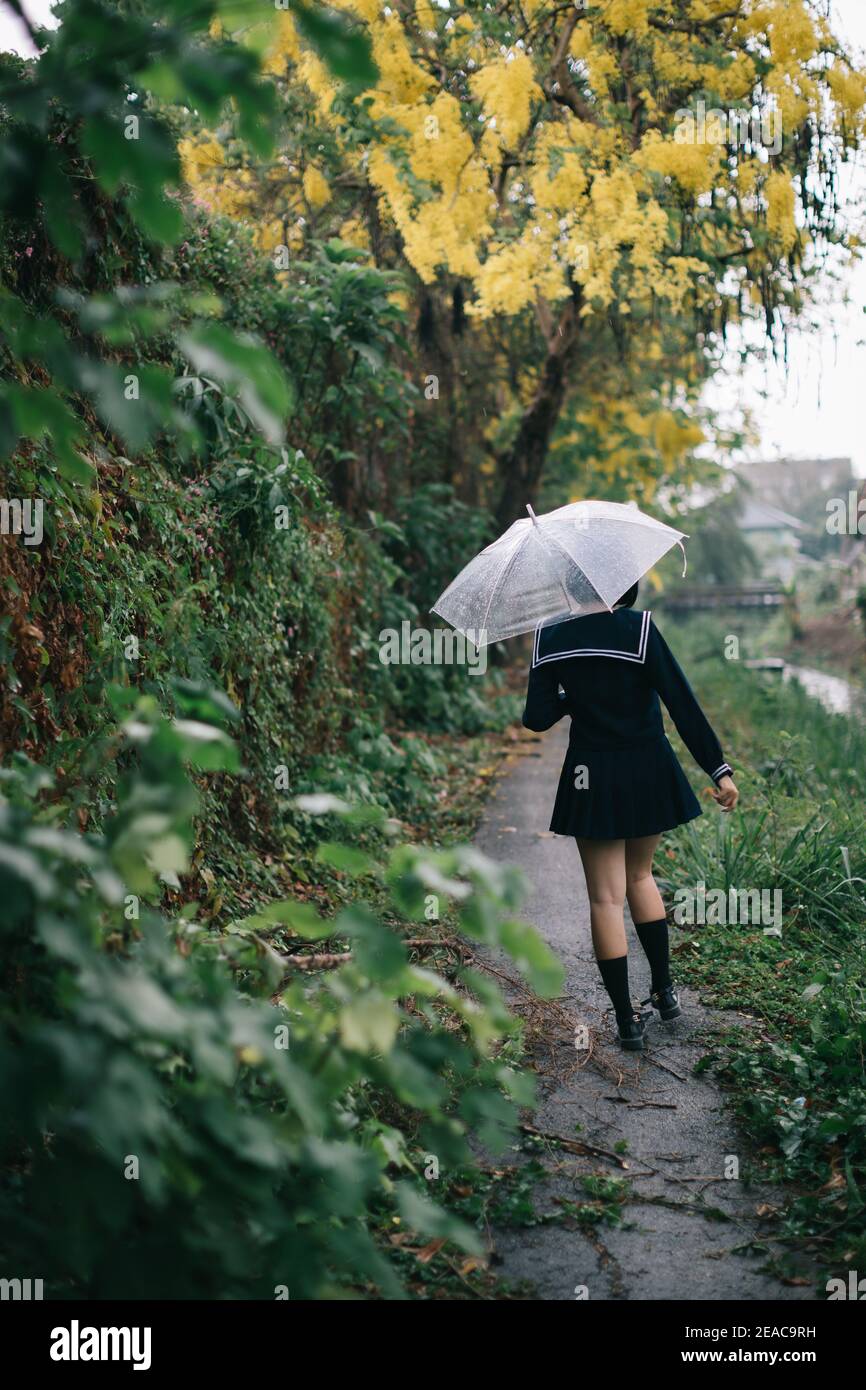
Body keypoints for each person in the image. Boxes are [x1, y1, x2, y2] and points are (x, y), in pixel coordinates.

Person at [522, 583, 739, 1051]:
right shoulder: (640, 630)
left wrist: (569, 695)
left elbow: (536, 718)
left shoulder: (548, 637)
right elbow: (681, 702)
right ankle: (665, 992)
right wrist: (718, 769)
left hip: (589, 772)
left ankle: (626, 1020)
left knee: (605, 899)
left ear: (571, 587)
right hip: (646, 767)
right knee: (641, 877)